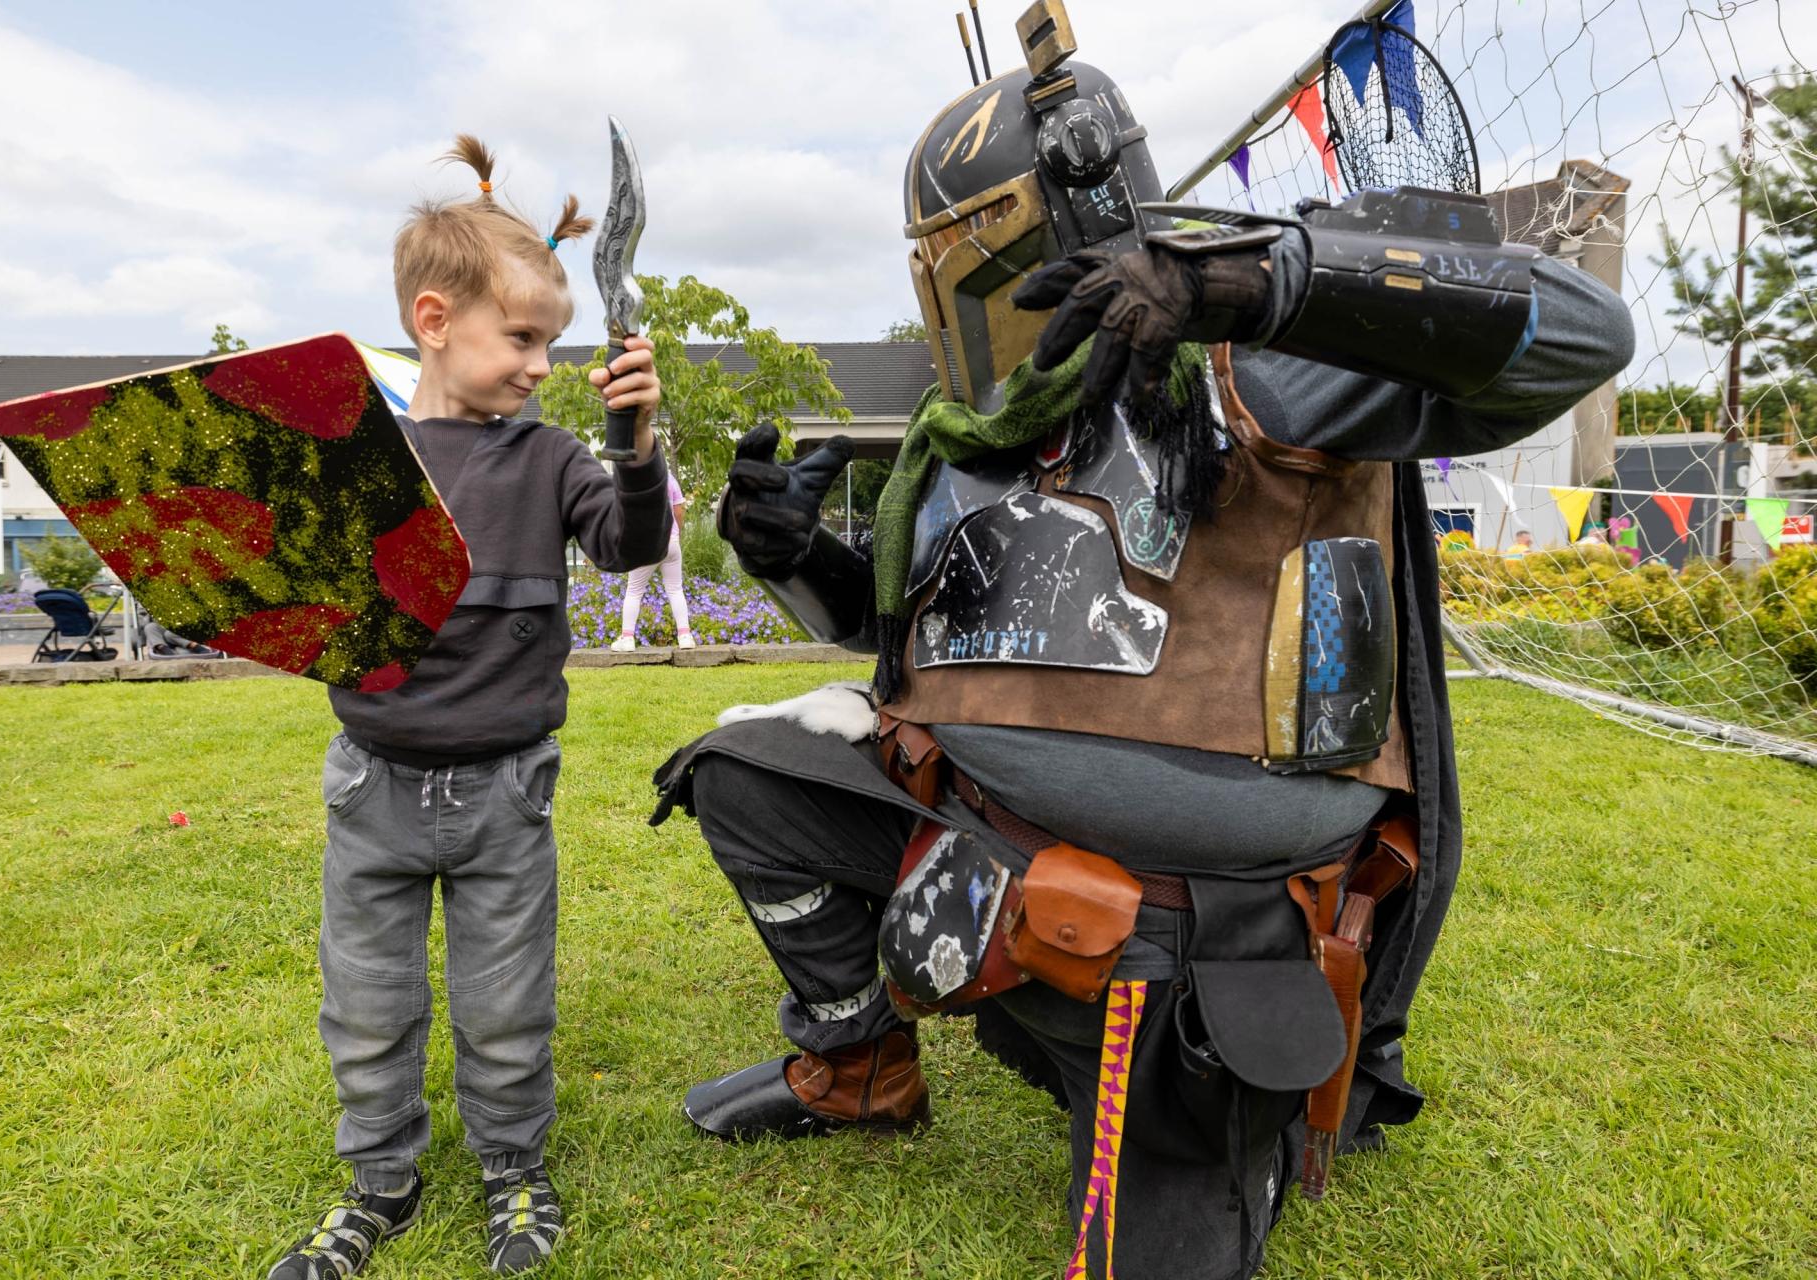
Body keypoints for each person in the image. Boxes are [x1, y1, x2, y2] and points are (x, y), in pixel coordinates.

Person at [649, 7, 1635, 1278]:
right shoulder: (984, 426)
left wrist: (1258, 284)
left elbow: (1585, 333)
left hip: (1187, 956)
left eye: (951, 244)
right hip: (987, 864)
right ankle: (857, 1064)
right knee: (742, 777)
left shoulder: (1261, 358)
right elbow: (941, 642)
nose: (939, 278)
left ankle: (1231, 1129)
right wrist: (798, 561)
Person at [266, 134, 668, 1280]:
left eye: (553, 341)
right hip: (373, 791)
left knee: (504, 1006)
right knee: (369, 1007)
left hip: (503, 793)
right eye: (524, 339)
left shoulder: (552, 461)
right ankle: (379, 1184)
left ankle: (512, 1170)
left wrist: (634, 446)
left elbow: (631, 541)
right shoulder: (361, 459)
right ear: (436, 322)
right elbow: (307, 595)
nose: (543, 365)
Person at [611, 470, 694, 650]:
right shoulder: (669, 477)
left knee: (634, 590)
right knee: (675, 589)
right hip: (671, 541)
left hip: (645, 545)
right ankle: (685, 636)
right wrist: (676, 533)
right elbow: (678, 511)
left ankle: (627, 638)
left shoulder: (632, 480)